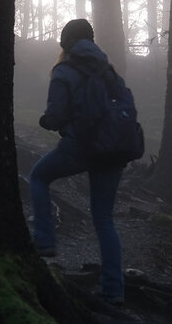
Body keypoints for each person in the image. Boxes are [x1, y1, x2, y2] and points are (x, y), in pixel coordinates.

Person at [30, 18, 125, 304]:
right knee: (104, 219)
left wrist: (46, 121)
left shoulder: (64, 70)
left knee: (38, 177)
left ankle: (45, 241)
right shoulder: (108, 70)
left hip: (81, 147)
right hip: (113, 149)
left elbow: (56, 115)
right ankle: (113, 289)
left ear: (66, 43)